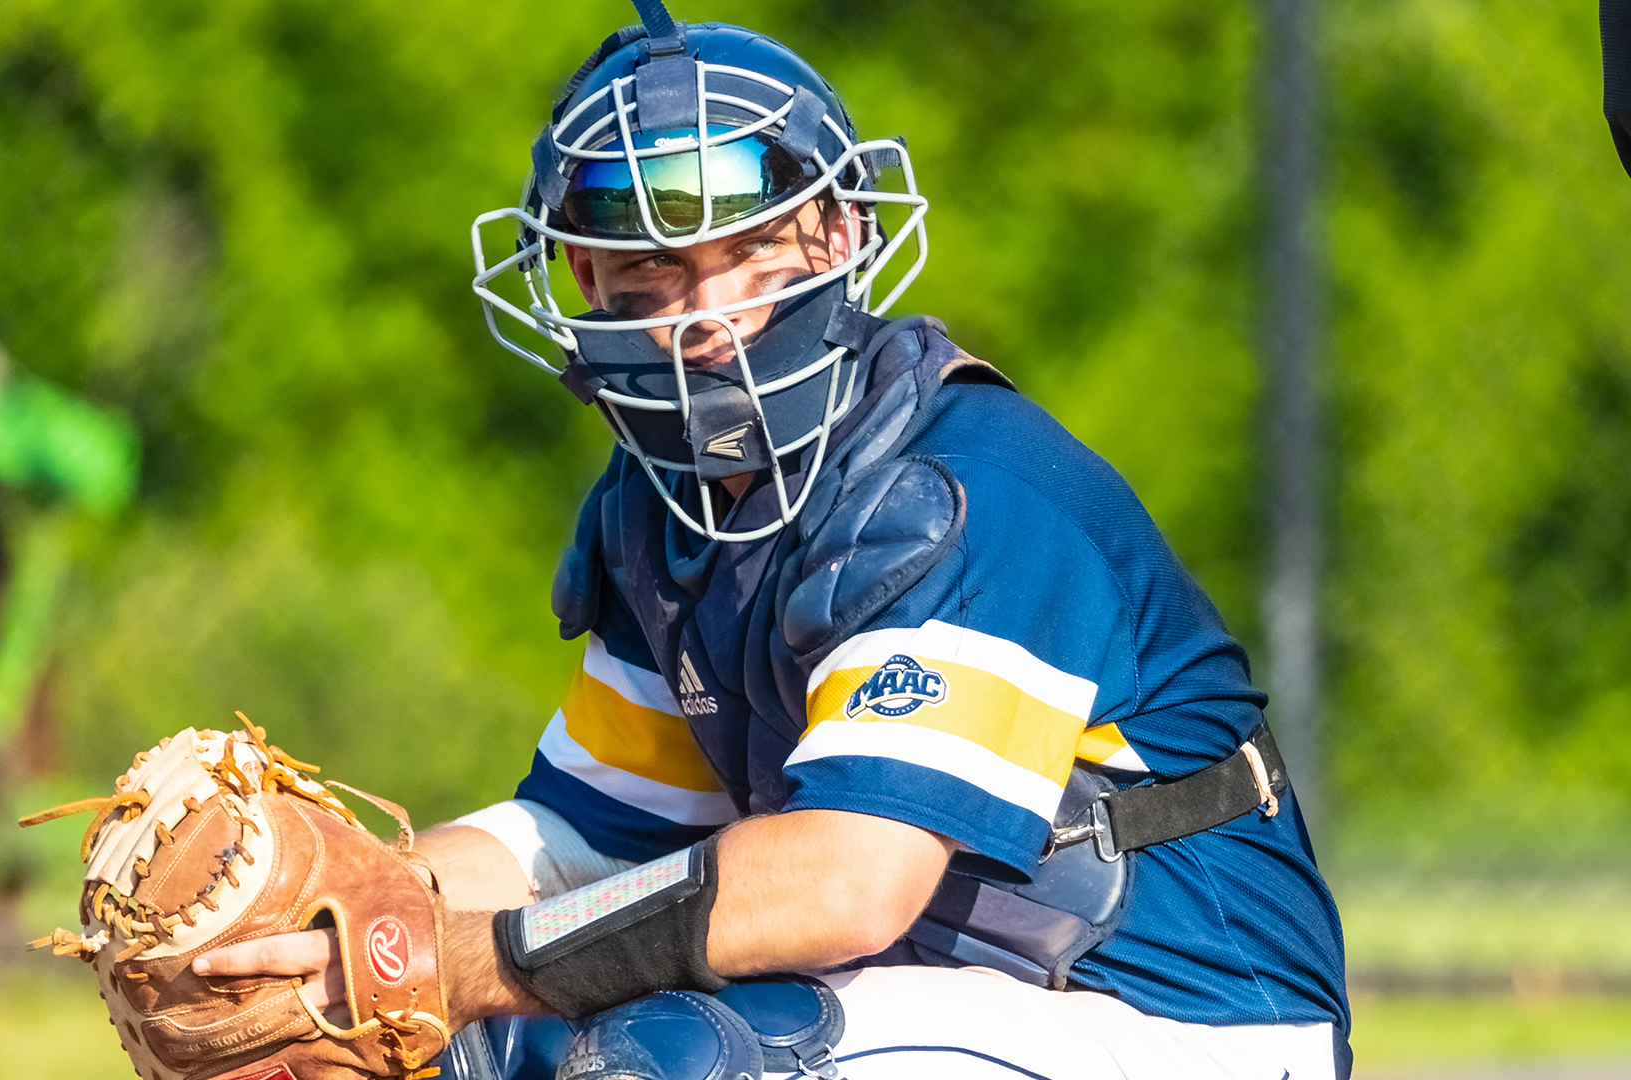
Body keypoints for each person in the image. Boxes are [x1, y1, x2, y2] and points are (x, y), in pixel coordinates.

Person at [199, 5, 1350, 1077]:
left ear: (841, 232)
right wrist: (333, 926)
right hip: (953, 1001)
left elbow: (846, 885)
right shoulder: (663, 510)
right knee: (450, 1044)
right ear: (585, 278)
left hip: (1191, 1017)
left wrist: (464, 959)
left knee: (676, 1059)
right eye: (653, 266)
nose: (708, 311)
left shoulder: (965, 493)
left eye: (748, 246)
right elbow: (582, 835)